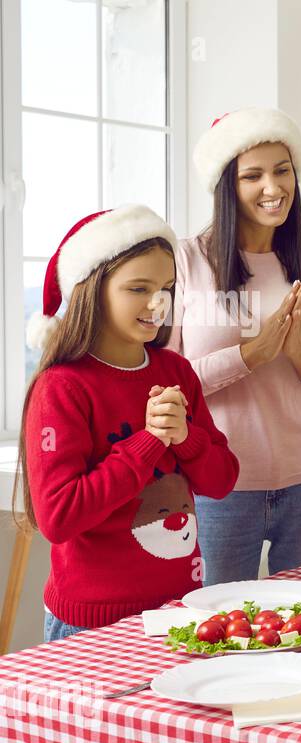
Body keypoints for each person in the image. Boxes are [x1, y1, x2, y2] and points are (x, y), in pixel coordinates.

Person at [18, 206, 239, 641]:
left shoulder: (176, 372)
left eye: (167, 288)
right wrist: (148, 443)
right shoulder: (61, 387)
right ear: (93, 290)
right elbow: (59, 517)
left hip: (181, 609)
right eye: (139, 288)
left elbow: (222, 481)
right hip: (91, 624)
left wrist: (186, 439)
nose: (158, 303)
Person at [169, 107, 301, 583]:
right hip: (218, 488)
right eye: (252, 175)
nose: (273, 189)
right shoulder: (183, 263)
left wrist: (300, 353)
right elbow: (165, 388)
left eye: (282, 171)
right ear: (226, 186)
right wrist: (252, 353)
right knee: (215, 631)